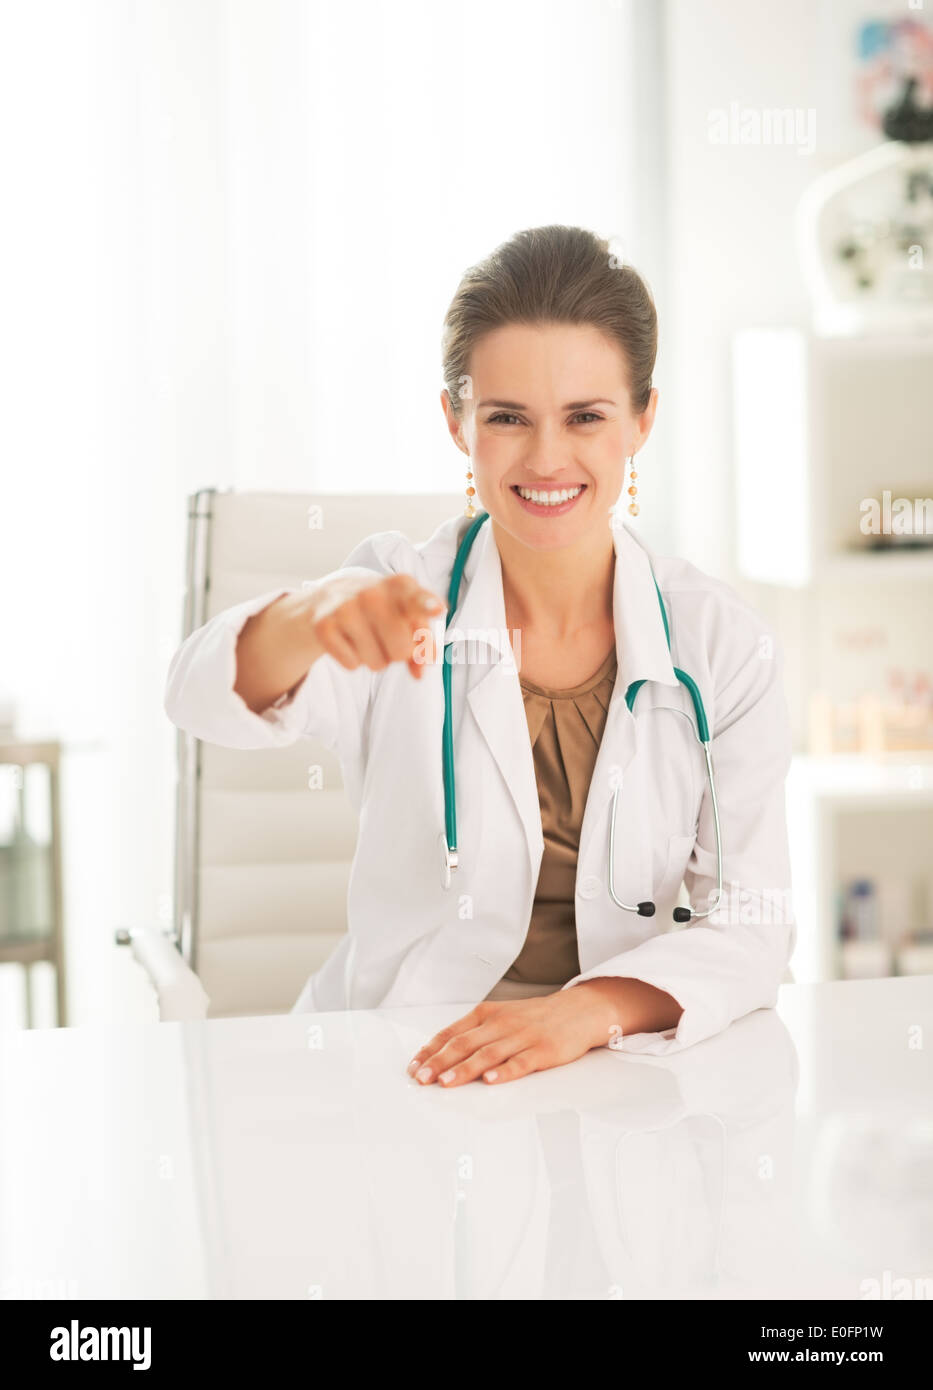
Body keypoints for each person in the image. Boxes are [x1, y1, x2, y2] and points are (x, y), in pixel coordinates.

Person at [165, 224, 796, 1088]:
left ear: (642, 420)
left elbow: (752, 922)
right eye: (505, 417)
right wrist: (311, 615)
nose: (545, 458)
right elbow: (197, 698)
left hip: (628, 1060)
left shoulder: (719, 644)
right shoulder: (394, 597)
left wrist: (581, 1010)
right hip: (409, 1063)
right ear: (457, 421)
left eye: (585, 417)